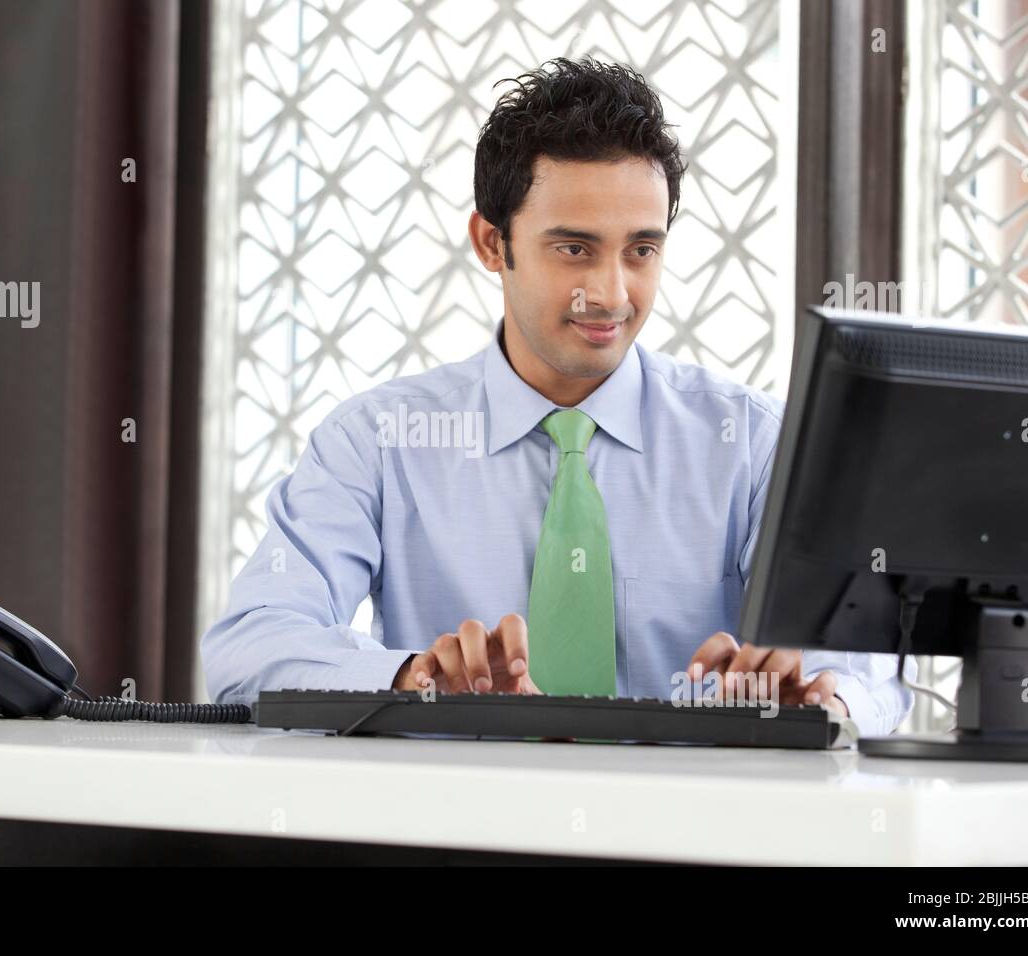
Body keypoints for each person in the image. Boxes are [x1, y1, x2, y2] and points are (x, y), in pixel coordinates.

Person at [201, 57, 914, 737]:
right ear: (491, 243)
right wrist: (413, 680)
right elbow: (250, 646)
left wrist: (817, 695)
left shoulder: (755, 444)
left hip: (697, 841)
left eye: (641, 250)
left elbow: (868, 667)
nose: (609, 294)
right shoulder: (377, 442)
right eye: (574, 248)